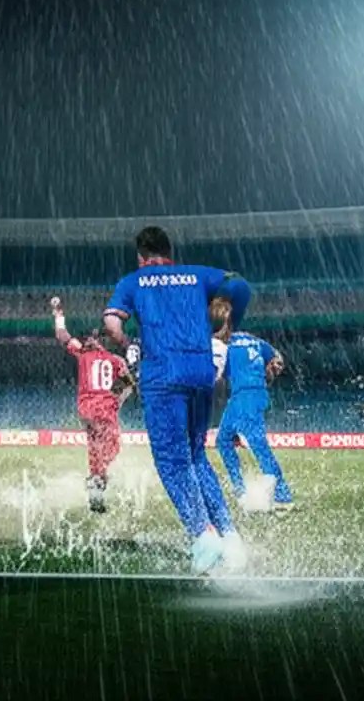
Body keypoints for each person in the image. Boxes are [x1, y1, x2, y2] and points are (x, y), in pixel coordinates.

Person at [102, 225, 251, 575]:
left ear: (141, 257)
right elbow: (240, 286)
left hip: (162, 375)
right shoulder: (197, 274)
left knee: (172, 461)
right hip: (200, 373)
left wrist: (129, 345)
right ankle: (230, 538)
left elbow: (111, 324)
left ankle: (203, 536)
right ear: (171, 252)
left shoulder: (132, 282)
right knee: (197, 455)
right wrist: (230, 327)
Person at [49, 296, 134, 513]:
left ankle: (96, 480)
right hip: (105, 407)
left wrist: (58, 314)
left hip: (86, 409)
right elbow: (128, 383)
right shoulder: (116, 360)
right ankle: (98, 479)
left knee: (95, 445)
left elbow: (62, 335)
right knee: (112, 448)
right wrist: (116, 399)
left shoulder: (83, 354)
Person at [215, 328, 294, 512]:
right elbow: (278, 360)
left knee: (259, 445)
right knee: (223, 440)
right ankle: (241, 491)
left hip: (245, 396)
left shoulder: (222, 344)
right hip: (248, 394)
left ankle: (282, 496)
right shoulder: (253, 340)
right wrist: (267, 376)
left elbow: (215, 373)